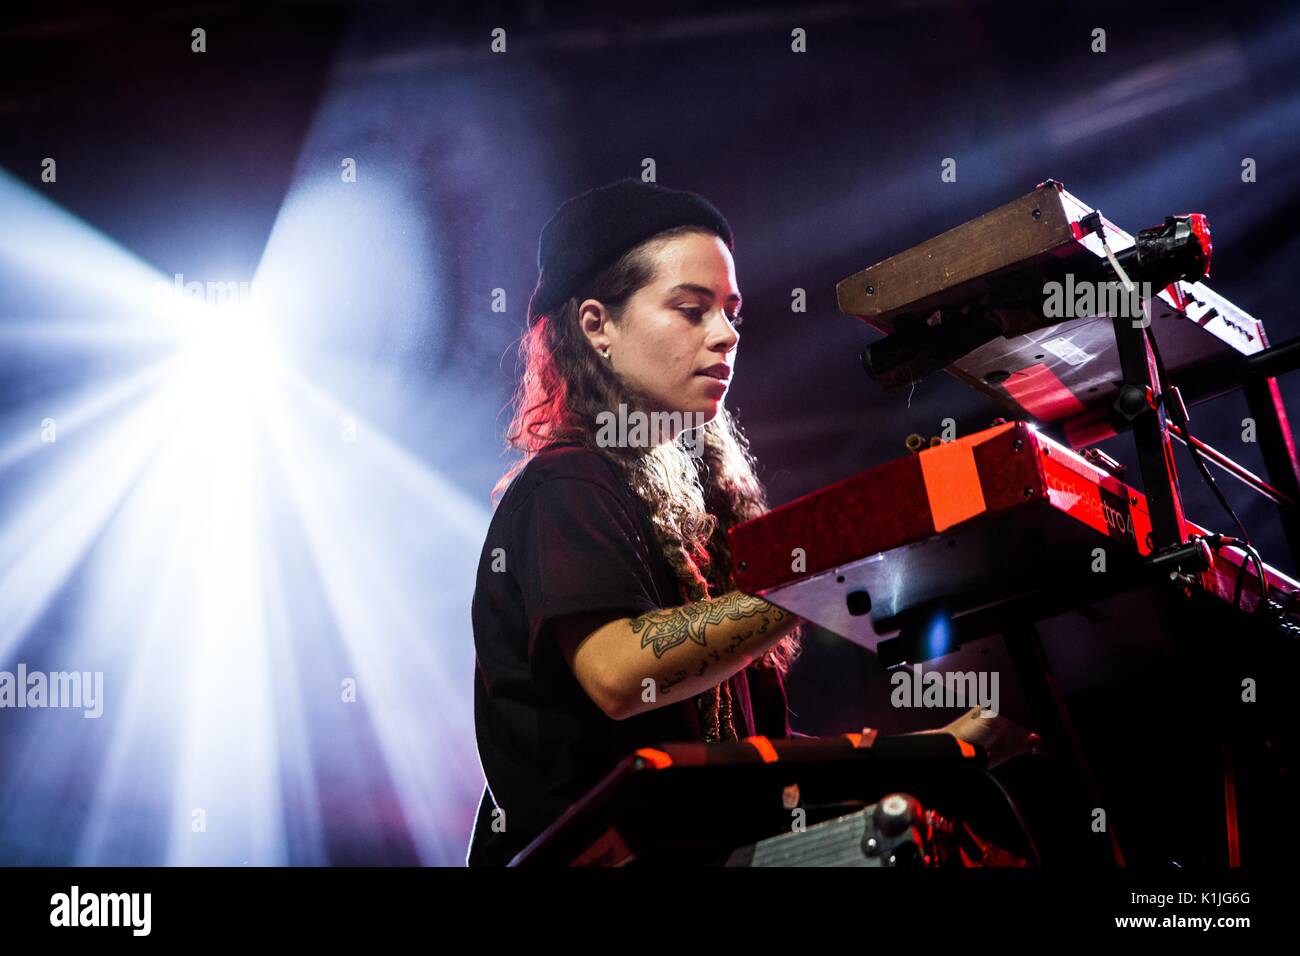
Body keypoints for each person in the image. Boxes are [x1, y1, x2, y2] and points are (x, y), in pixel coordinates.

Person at [466, 178, 803, 866]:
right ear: (598, 326)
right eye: (691, 309)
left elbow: (748, 756)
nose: (726, 334)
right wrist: (811, 580)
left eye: (730, 311)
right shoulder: (567, 484)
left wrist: (930, 754)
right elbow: (620, 673)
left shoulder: (702, 508)